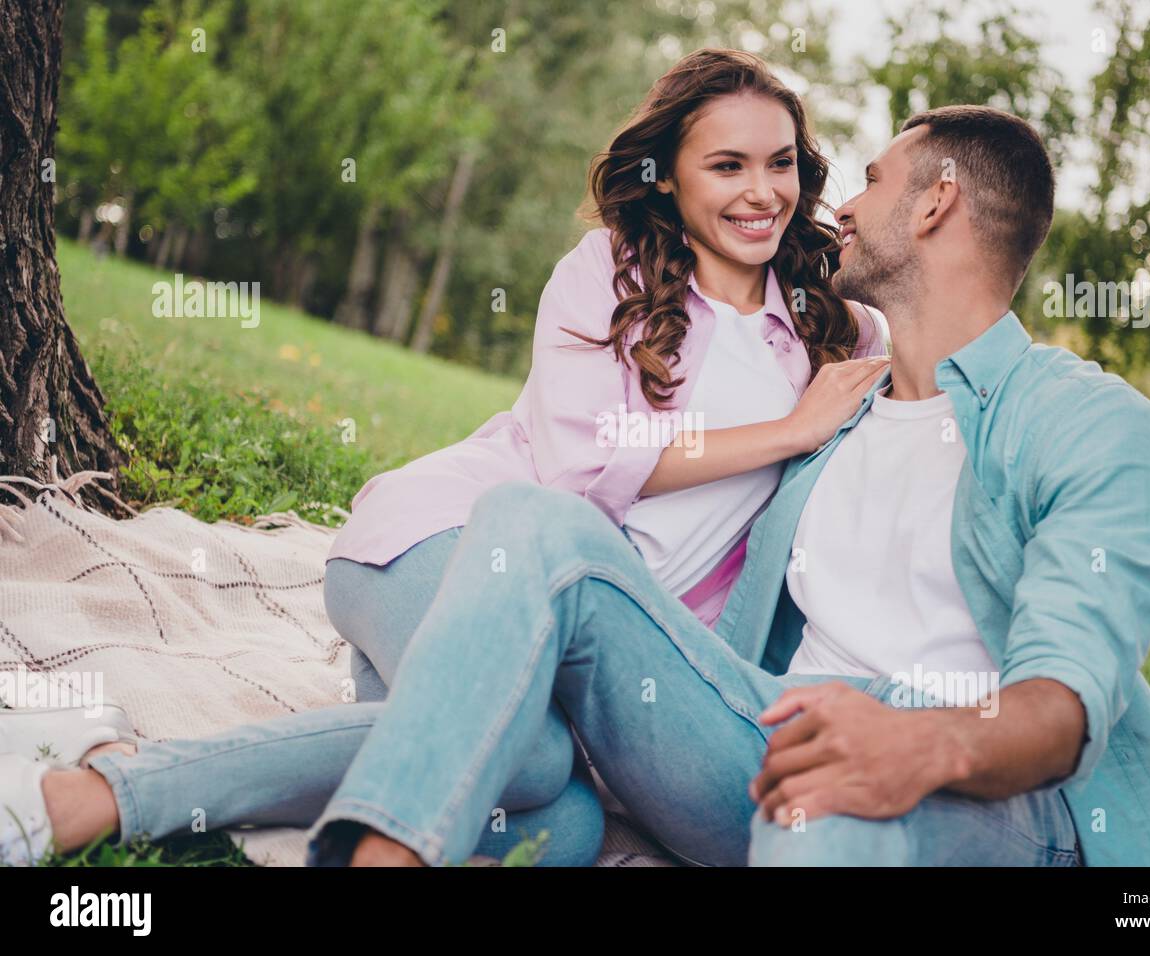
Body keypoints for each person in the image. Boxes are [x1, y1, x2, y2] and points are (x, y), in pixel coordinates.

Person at [0, 48, 888, 867]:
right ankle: (95, 790)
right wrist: (787, 431)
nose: (762, 191)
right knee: (532, 755)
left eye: (780, 163)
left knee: (562, 829)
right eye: (726, 166)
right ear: (666, 182)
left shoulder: (836, 332)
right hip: (448, 543)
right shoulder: (609, 272)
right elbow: (586, 465)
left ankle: (376, 721)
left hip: (579, 634)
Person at [292, 104, 1150, 867]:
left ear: (937, 201)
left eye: (871, 180)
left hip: (990, 801)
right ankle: (390, 854)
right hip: (760, 730)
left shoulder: (1084, 421)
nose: (840, 209)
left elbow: (1064, 706)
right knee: (530, 523)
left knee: (825, 794)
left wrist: (910, 746)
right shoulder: (843, 405)